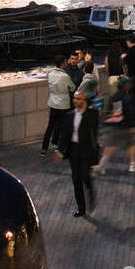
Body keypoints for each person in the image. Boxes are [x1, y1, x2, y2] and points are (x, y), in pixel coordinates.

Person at [55, 87, 100, 217]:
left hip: (86, 150)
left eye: (79, 99)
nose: (76, 101)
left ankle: (91, 192)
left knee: (85, 176)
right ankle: (81, 208)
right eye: (75, 98)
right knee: (76, 180)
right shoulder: (69, 116)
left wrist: (84, 110)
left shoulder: (92, 114)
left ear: (84, 101)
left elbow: (94, 126)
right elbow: (64, 135)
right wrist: (60, 151)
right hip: (73, 151)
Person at [98, 76, 135, 175]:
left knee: (110, 145)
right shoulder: (129, 97)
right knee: (130, 145)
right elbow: (132, 113)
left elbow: (109, 111)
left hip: (114, 125)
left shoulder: (112, 97)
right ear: (126, 86)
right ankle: (132, 165)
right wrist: (133, 126)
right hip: (126, 125)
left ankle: (102, 165)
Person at [41, 56, 76, 157]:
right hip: (63, 105)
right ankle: (59, 146)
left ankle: (44, 149)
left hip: (53, 103)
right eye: (65, 62)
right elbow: (72, 87)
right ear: (62, 64)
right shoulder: (65, 76)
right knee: (63, 127)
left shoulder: (50, 74)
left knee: (50, 126)